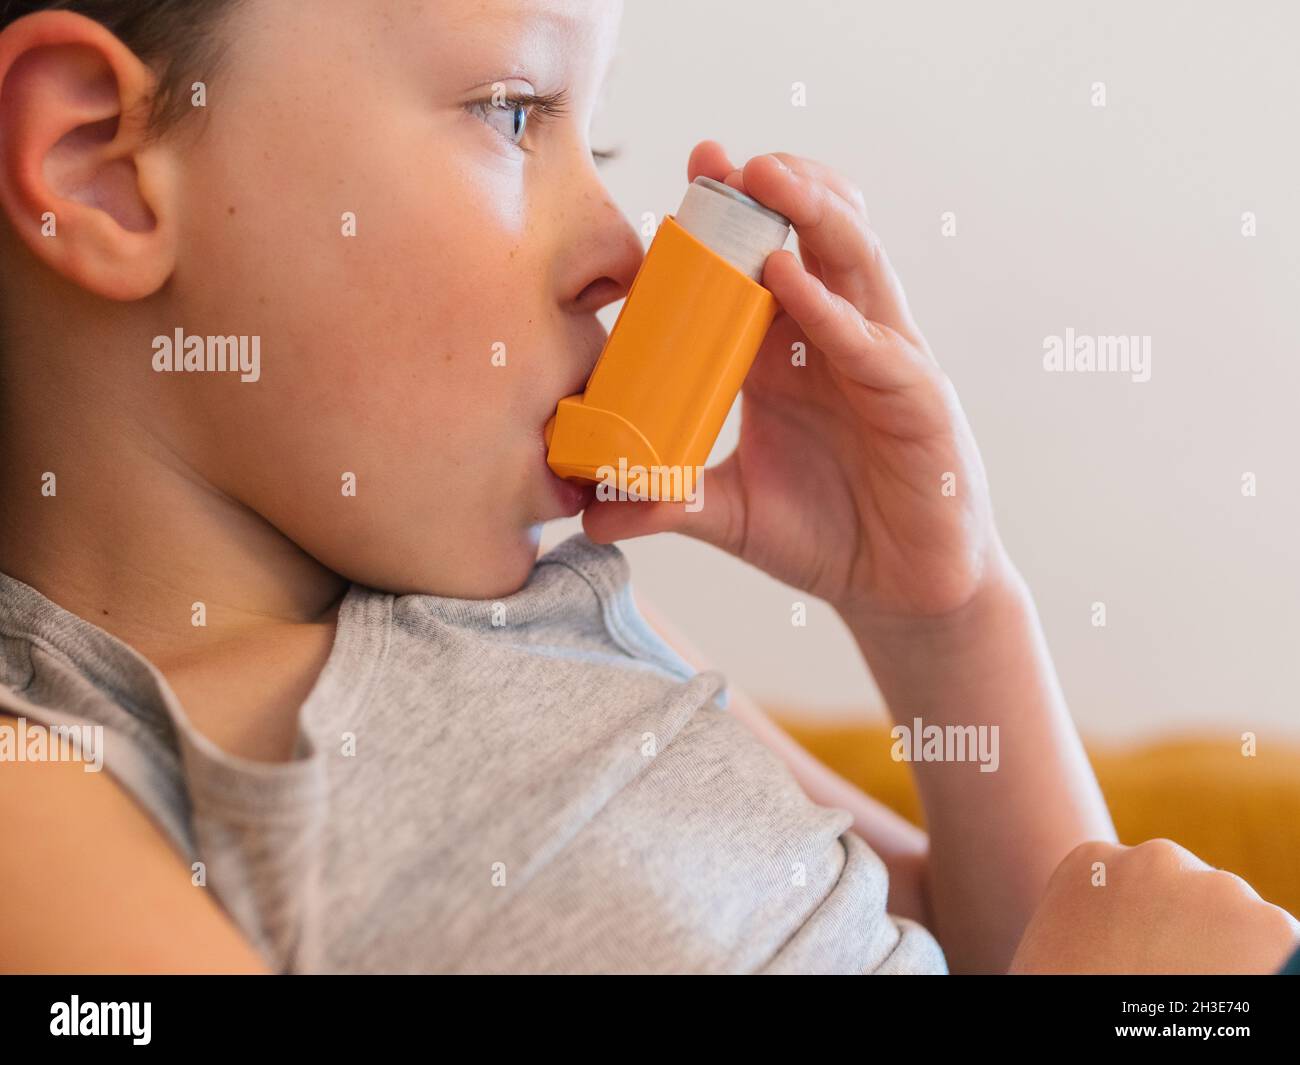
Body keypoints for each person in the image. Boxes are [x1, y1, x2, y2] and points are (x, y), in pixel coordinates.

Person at [0, 0, 1295, 974]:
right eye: (513, 111)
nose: (622, 250)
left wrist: (942, 612)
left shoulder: (562, 611)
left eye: (594, 133)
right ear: (102, 166)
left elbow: (1004, 936)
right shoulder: (42, 791)